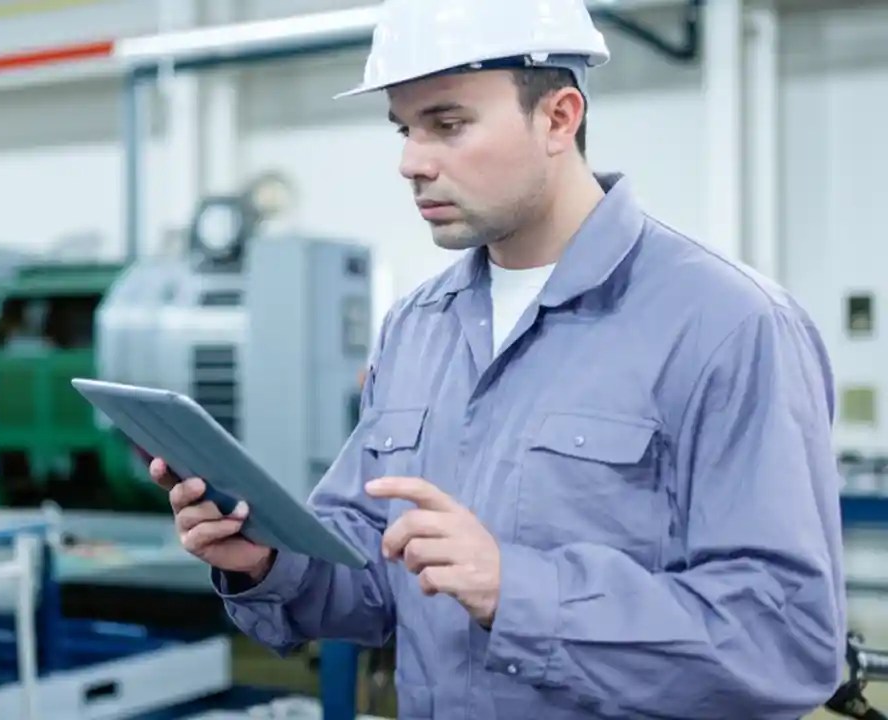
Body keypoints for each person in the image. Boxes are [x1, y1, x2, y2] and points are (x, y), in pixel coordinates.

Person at [150, 0, 848, 716]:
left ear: (559, 118)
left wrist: (520, 594)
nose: (411, 162)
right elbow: (376, 574)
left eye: (448, 124)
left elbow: (784, 642)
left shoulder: (727, 325)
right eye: (405, 129)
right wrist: (269, 562)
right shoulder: (417, 327)